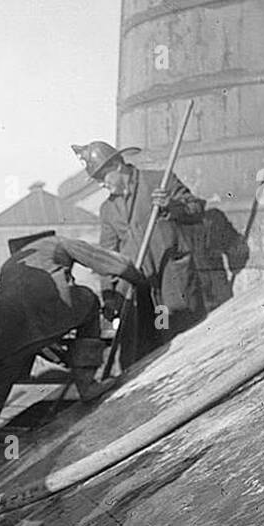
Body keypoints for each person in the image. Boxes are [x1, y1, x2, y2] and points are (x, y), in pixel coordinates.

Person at [0, 229, 143, 493]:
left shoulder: (11, 265)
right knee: (87, 299)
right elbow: (116, 264)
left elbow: (24, 322)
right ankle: (87, 385)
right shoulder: (59, 243)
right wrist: (141, 280)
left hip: (1, 333)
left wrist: (59, 351)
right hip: (46, 314)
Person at [72, 140, 206, 368]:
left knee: (175, 338)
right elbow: (107, 256)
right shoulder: (108, 209)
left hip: (168, 282)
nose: (101, 185)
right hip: (139, 291)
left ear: (116, 166)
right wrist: (109, 295)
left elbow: (196, 209)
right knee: (139, 348)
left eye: (102, 177)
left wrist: (171, 206)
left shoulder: (158, 182)